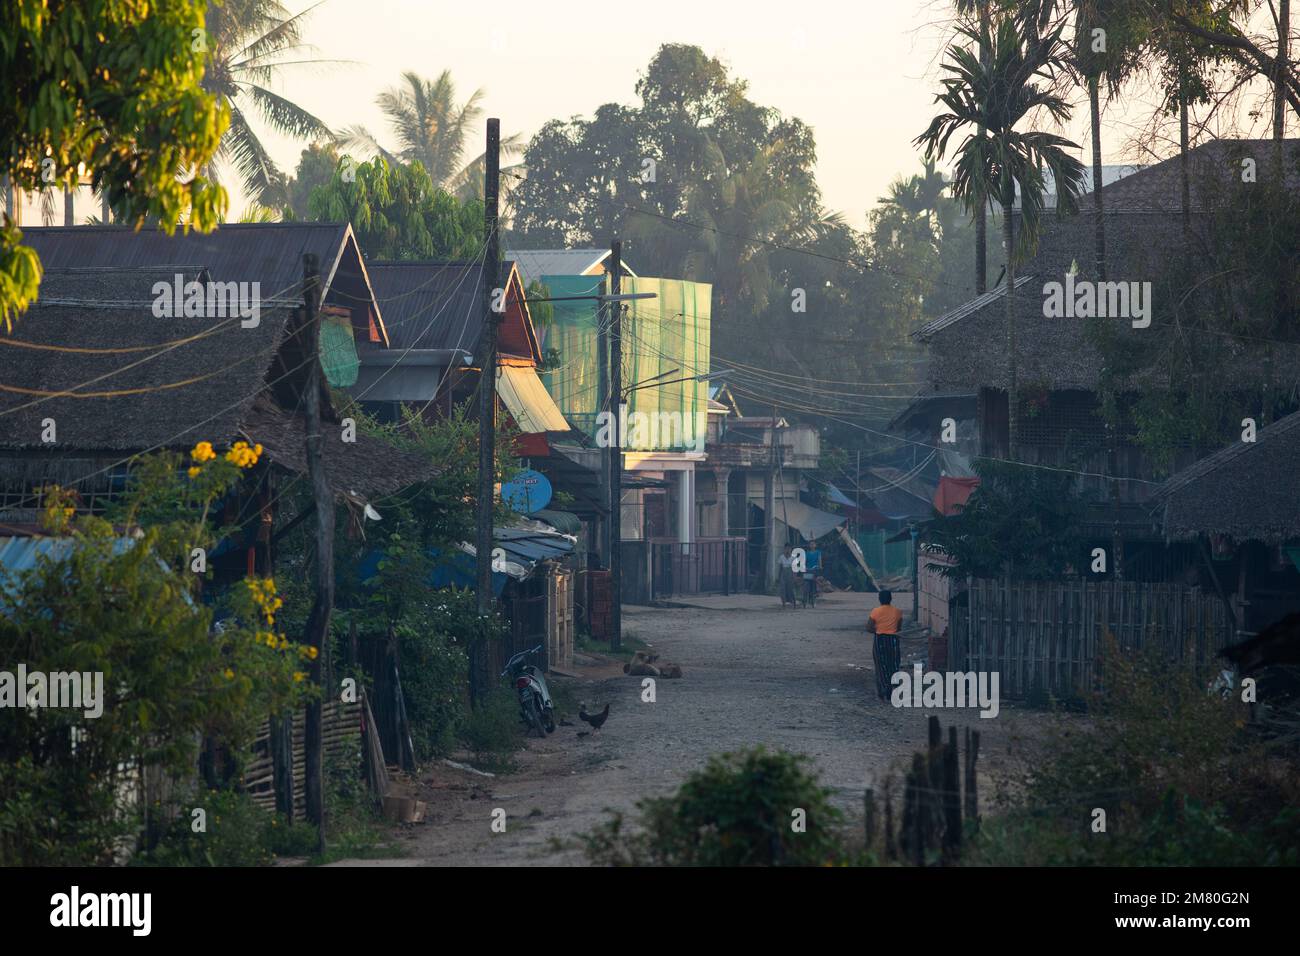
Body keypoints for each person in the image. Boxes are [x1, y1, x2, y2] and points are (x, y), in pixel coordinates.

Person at [866, 589, 903, 698]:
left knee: (881, 665)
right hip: (893, 640)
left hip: (880, 640)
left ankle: (883, 689)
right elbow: (899, 628)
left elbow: (869, 627)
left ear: (879, 599)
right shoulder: (898, 612)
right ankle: (894, 687)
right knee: (894, 664)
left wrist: (877, 631)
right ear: (890, 599)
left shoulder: (875, 611)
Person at [801, 541, 821, 608]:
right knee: (806, 586)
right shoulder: (806, 553)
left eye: (813, 544)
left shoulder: (818, 552)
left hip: (815, 570)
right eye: (810, 544)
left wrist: (820, 566)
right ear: (809, 545)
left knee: (814, 586)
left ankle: (813, 601)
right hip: (807, 571)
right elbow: (804, 561)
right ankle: (805, 601)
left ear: (815, 545)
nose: (812, 545)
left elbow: (819, 561)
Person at [777, 544, 797, 608]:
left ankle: (793, 602)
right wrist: (779, 576)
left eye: (789, 549)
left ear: (791, 550)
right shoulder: (781, 557)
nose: (787, 550)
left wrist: (794, 576)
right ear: (784, 549)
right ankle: (784, 604)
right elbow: (780, 567)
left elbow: (795, 569)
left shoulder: (793, 558)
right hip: (783, 573)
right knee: (783, 589)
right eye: (786, 548)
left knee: (790, 589)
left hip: (791, 573)